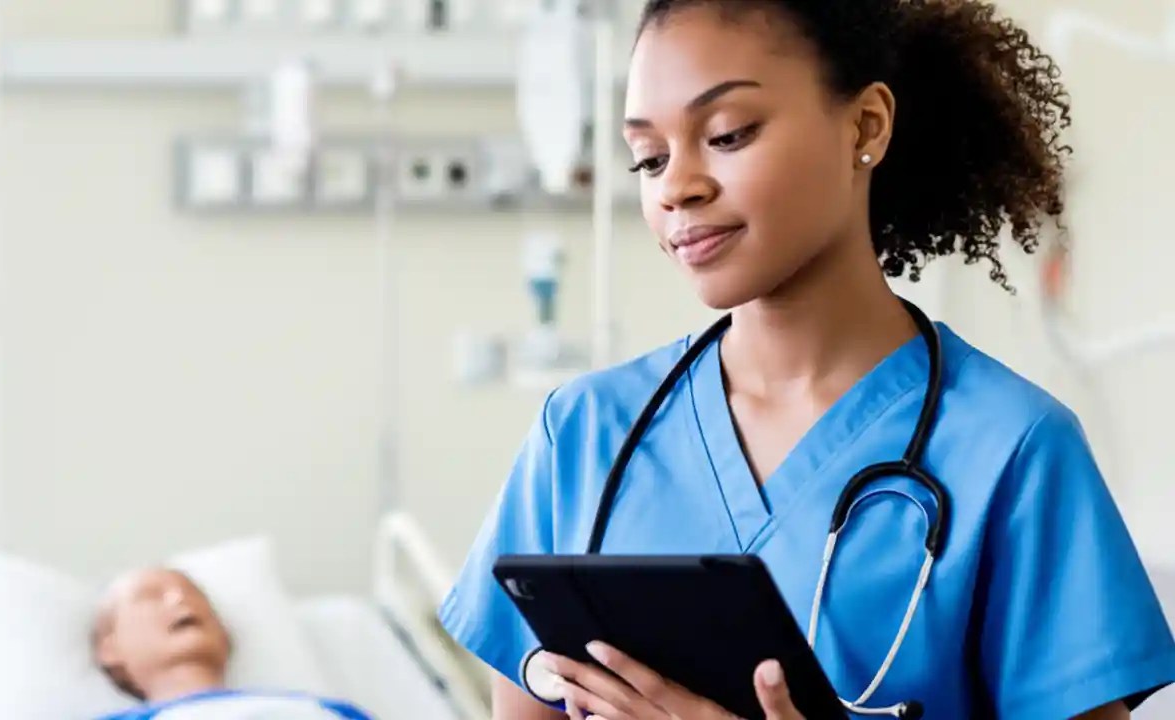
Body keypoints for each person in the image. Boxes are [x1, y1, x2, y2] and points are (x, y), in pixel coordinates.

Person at [437, 0, 1175, 718]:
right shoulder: (584, 435)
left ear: (866, 124)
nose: (677, 187)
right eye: (649, 158)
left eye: (727, 134)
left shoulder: (1011, 450)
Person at [92, 567, 371, 720]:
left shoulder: (331, 712)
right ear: (109, 648)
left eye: (196, 595)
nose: (180, 599)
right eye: (150, 595)